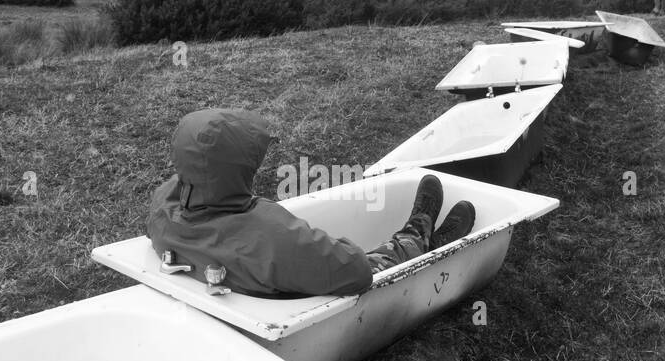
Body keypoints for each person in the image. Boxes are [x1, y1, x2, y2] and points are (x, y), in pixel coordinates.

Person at [147, 107, 476, 298]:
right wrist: (339, 249)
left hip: (247, 279)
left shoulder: (163, 206)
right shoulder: (269, 234)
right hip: (309, 284)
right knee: (377, 261)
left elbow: (193, 179)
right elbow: (357, 273)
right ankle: (420, 236)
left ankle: (420, 234)